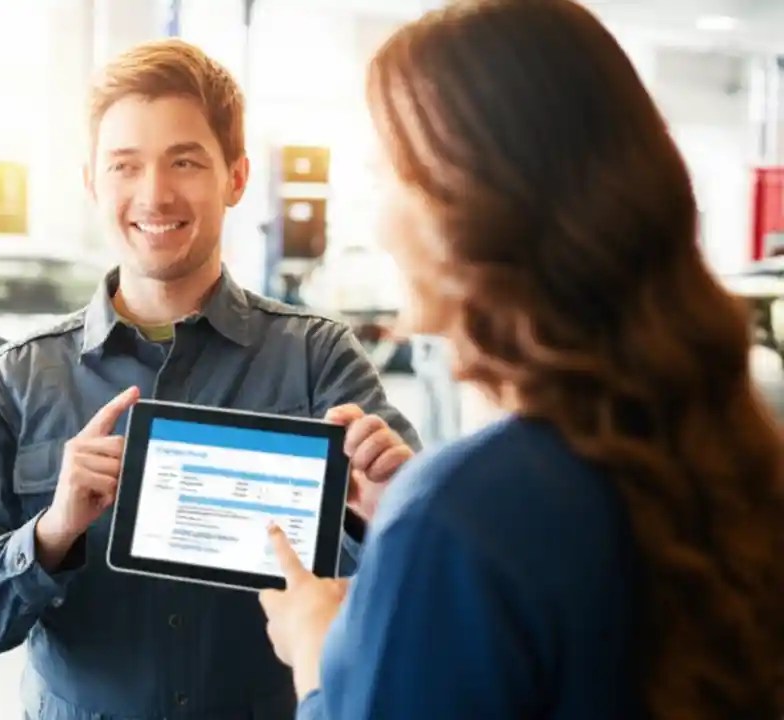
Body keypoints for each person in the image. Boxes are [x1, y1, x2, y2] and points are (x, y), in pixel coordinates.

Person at [258, 1, 784, 718]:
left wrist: (317, 653)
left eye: (388, 180)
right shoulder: (719, 446)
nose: (378, 223)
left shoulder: (460, 515)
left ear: (471, 207)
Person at [0, 39, 420, 719]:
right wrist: (52, 531)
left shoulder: (317, 361)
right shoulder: (20, 379)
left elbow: (417, 592)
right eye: (125, 166)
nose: (154, 194)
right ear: (94, 183)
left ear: (236, 178)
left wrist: (393, 511)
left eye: (184, 161)